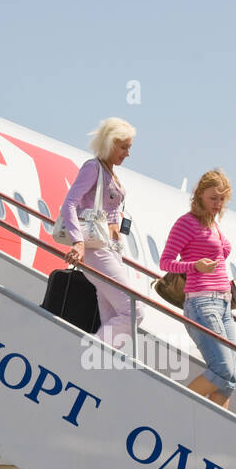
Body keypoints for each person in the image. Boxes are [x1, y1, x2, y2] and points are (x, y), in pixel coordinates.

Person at [59, 118, 143, 352]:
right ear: (109, 143)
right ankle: (87, 354)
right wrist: (78, 242)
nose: (127, 154)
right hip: (96, 249)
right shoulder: (92, 168)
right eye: (123, 147)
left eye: (129, 147)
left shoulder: (111, 173)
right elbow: (69, 205)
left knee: (112, 317)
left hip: (113, 250)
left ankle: (100, 366)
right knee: (134, 311)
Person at [159, 170, 236, 408]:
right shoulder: (187, 223)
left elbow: (219, 262)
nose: (218, 204)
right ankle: (175, 410)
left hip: (223, 304)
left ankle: (214, 430)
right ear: (200, 194)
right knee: (223, 370)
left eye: (222, 199)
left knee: (230, 379)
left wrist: (230, 294)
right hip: (202, 302)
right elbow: (166, 261)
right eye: (213, 198)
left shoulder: (214, 225)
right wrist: (195, 266)